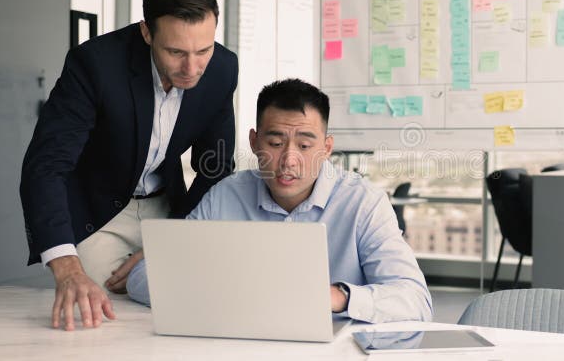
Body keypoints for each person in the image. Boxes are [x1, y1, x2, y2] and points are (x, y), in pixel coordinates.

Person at [19, 0, 237, 331]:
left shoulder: (223, 69)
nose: (192, 68)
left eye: (203, 50)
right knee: (108, 318)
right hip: (99, 214)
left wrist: (175, 237)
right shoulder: (95, 64)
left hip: (168, 209)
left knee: (190, 298)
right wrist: (67, 267)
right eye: (175, 52)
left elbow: (215, 168)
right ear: (147, 32)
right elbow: (46, 165)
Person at [126, 79, 433, 323]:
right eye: (275, 143)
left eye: (305, 145)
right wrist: (228, 290)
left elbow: (415, 300)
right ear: (254, 141)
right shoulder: (226, 195)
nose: (289, 160)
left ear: (327, 148)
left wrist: (336, 297)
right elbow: (141, 278)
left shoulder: (363, 203)